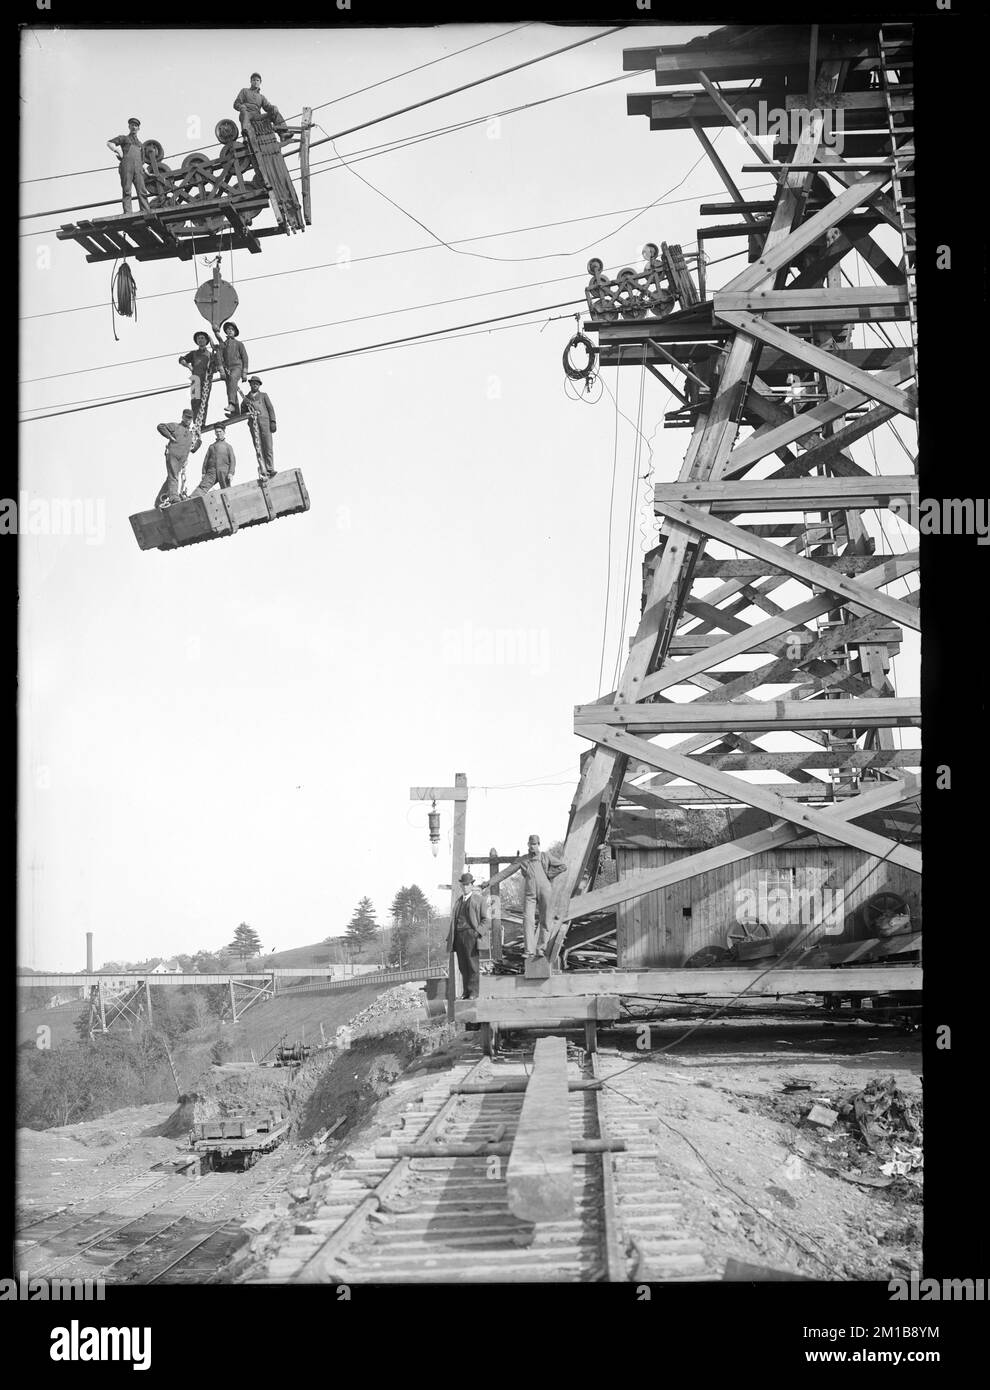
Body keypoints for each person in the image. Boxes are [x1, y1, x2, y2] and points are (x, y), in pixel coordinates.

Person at [518, 835, 565, 962]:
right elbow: (506, 872)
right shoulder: (523, 860)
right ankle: (529, 950)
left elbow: (562, 866)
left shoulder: (545, 856)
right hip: (530, 894)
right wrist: (487, 883)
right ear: (528, 844)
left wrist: (548, 875)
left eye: (535, 844)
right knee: (528, 919)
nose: (533, 846)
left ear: (539, 844)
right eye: (531, 844)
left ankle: (541, 948)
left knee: (546, 919)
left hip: (545, 891)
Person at [444, 873, 489, 1000]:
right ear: (461, 886)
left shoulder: (479, 900)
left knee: (472, 965)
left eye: (467, 884)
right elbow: (454, 920)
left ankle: (474, 992)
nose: (465, 887)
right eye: (463, 885)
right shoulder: (458, 902)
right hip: (459, 936)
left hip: (471, 935)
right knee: (463, 966)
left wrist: (477, 932)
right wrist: (451, 936)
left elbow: (486, 920)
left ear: (472, 885)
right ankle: (466, 992)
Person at [154, 410, 202, 509]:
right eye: (186, 417)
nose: (187, 420)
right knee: (174, 476)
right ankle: (173, 497)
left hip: (182, 459)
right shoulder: (175, 426)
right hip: (173, 455)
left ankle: (159, 500)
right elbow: (161, 426)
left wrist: (199, 440)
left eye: (189, 418)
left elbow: (193, 450)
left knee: (171, 478)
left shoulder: (190, 434)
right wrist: (170, 437)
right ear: (182, 417)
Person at [107, 117, 150, 215]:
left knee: (142, 190)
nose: (134, 127)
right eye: (132, 125)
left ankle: (145, 210)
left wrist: (147, 172)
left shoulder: (141, 145)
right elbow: (109, 143)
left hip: (138, 169)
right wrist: (117, 150)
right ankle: (128, 212)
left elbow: (142, 163)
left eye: (136, 126)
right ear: (129, 126)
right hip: (126, 167)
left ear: (138, 128)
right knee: (127, 189)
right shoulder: (124, 138)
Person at [244, 376, 277, 477]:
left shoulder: (264, 396)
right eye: (253, 383)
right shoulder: (246, 398)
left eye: (257, 384)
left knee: (268, 445)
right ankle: (263, 469)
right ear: (250, 384)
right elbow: (242, 412)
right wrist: (245, 407)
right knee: (258, 447)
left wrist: (273, 421)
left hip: (265, 423)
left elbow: (270, 409)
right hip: (254, 425)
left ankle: (270, 468)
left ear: (259, 385)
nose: (255, 385)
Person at [177, 332, 215, 418]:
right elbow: (182, 359)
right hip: (195, 379)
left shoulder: (211, 355)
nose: (200, 340)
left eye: (202, 338)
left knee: (204, 401)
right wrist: (188, 366)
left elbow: (216, 367)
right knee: (195, 401)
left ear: (206, 341)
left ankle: (202, 422)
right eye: (198, 338)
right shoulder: (193, 353)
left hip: (206, 380)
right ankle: (196, 421)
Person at [190, 426, 236, 497]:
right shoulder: (211, 446)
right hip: (212, 471)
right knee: (203, 486)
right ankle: (191, 499)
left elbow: (232, 461)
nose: (218, 433)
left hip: (224, 471)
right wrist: (203, 472)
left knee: (227, 490)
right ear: (215, 433)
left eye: (220, 431)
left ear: (224, 432)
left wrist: (231, 473)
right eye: (217, 432)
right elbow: (206, 460)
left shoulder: (228, 446)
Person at [220, 322, 249, 416]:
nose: (230, 331)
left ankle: (231, 404)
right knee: (230, 387)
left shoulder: (239, 344)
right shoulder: (223, 345)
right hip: (227, 369)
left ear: (235, 332)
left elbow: (245, 357)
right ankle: (235, 412)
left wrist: (244, 372)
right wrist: (221, 370)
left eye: (232, 329)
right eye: (228, 329)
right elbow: (219, 358)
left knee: (233, 379)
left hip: (237, 367)